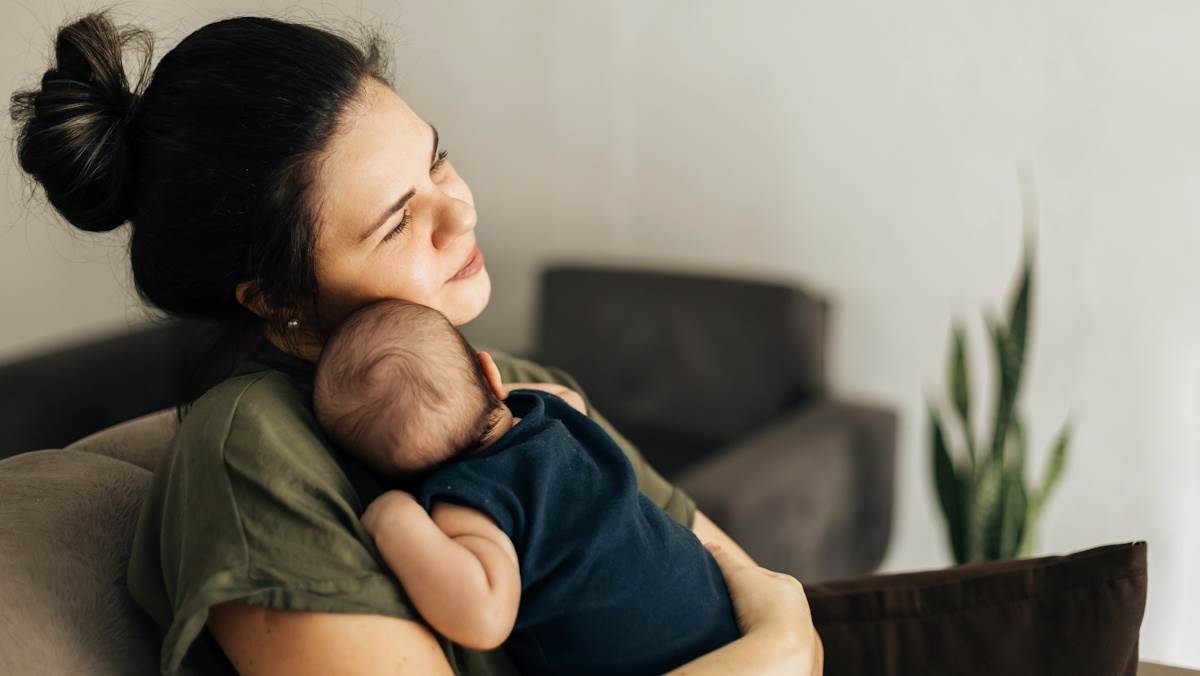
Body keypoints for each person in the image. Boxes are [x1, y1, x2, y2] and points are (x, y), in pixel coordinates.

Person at [8, 9, 823, 675]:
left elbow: (738, 582)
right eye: (399, 219)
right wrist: (775, 653)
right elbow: (779, 626)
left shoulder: (516, 387)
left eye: (438, 160)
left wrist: (782, 640)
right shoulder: (253, 458)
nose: (461, 211)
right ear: (278, 296)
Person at [310, 298, 742, 674]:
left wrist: (391, 516)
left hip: (646, 659)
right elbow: (568, 397)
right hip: (712, 606)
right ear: (488, 371)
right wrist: (476, 397)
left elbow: (484, 616)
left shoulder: (466, 502)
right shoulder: (552, 413)